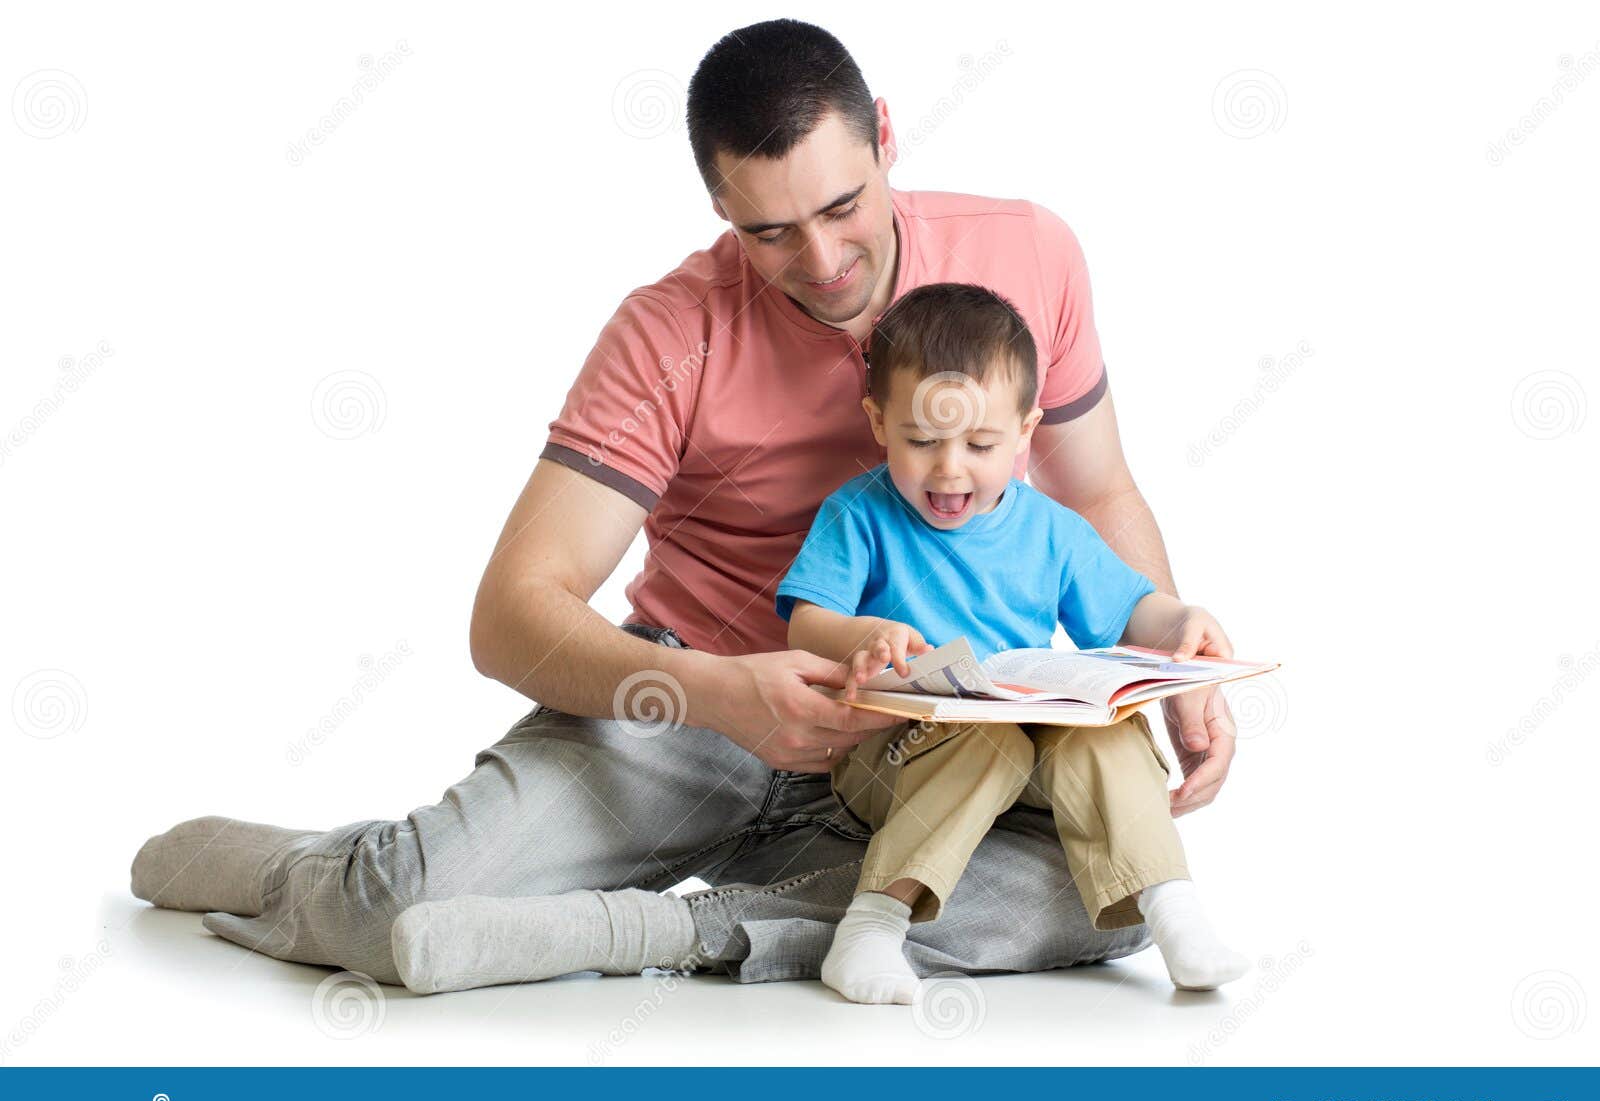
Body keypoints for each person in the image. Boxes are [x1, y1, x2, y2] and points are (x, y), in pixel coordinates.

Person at [129, 18, 1238, 995]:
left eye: (843, 205)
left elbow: (1095, 490)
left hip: (927, 740)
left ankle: (675, 932)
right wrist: (713, 693)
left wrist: (1169, 665)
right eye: (768, 233)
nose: (822, 260)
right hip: (688, 709)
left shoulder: (1027, 254)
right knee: (387, 906)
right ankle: (325, 867)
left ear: (886, 134)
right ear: (718, 206)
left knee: (1121, 893)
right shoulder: (669, 332)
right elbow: (512, 609)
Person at [774, 283, 1249, 1004]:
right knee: (986, 743)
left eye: (981, 444)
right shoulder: (859, 515)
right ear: (878, 422)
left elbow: (1128, 611)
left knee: (1107, 734)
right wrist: (864, 635)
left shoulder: (1051, 529)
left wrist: (1180, 620)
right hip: (894, 754)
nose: (949, 468)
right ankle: (869, 929)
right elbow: (805, 622)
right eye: (922, 440)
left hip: (1030, 751)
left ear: (1027, 429)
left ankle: (1173, 910)